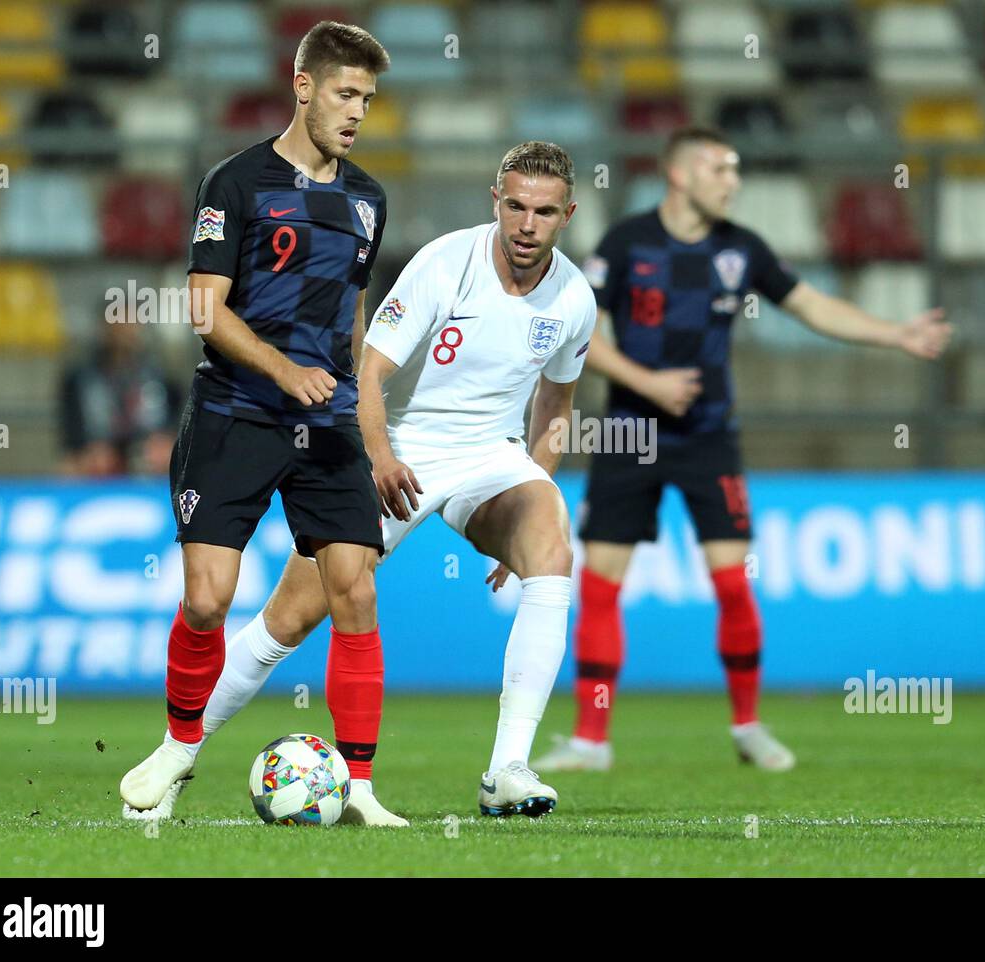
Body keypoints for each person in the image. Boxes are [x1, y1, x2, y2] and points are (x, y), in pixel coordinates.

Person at [181, 141, 596, 819]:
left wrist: (535, 486)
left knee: (552, 546)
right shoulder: (444, 265)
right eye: (515, 206)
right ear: (497, 200)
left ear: (567, 214)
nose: (527, 224)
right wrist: (375, 456)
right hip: (397, 442)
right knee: (287, 621)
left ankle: (508, 769)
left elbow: (556, 406)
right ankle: (181, 751)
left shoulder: (574, 298)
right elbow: (367, 372)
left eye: (544, 212)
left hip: (491, 455)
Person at [532, 126, 953, 773]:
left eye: (735, 169)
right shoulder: (627, 242)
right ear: (679, 174)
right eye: (719, 168)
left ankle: (749, 724)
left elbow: (811, 305)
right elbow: (580, 331)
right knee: (600, 586)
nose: (732, 180)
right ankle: (591, 738)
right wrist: (647, 382)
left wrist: (895, 334)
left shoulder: (742, 248)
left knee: (733, 583)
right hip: (629, 434)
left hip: (709, 438)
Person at [119, 21, 401, 825]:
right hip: (237, 411)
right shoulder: (235, 183)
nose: (356, 112)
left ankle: (360, 789)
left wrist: (358, 403)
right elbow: (205, 308)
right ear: (303, 86)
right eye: (345, 93)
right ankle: (179, 749)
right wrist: (285, 370)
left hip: (328, 423)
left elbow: (351, 308)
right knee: (208, 600)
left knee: (354, 588)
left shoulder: (367, 200)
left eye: (368, 99)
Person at [58, 310, 179, 477]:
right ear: (104, 328)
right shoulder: (80, 378)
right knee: (71, 468)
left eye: (130, 323)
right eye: (119, 322)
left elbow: (172, 419)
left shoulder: (158, 374)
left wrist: (164, 440)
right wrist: (89, 449)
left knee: (167, 455)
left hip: (146, 450)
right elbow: (72, 432)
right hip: (99, 452)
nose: (125, 329)